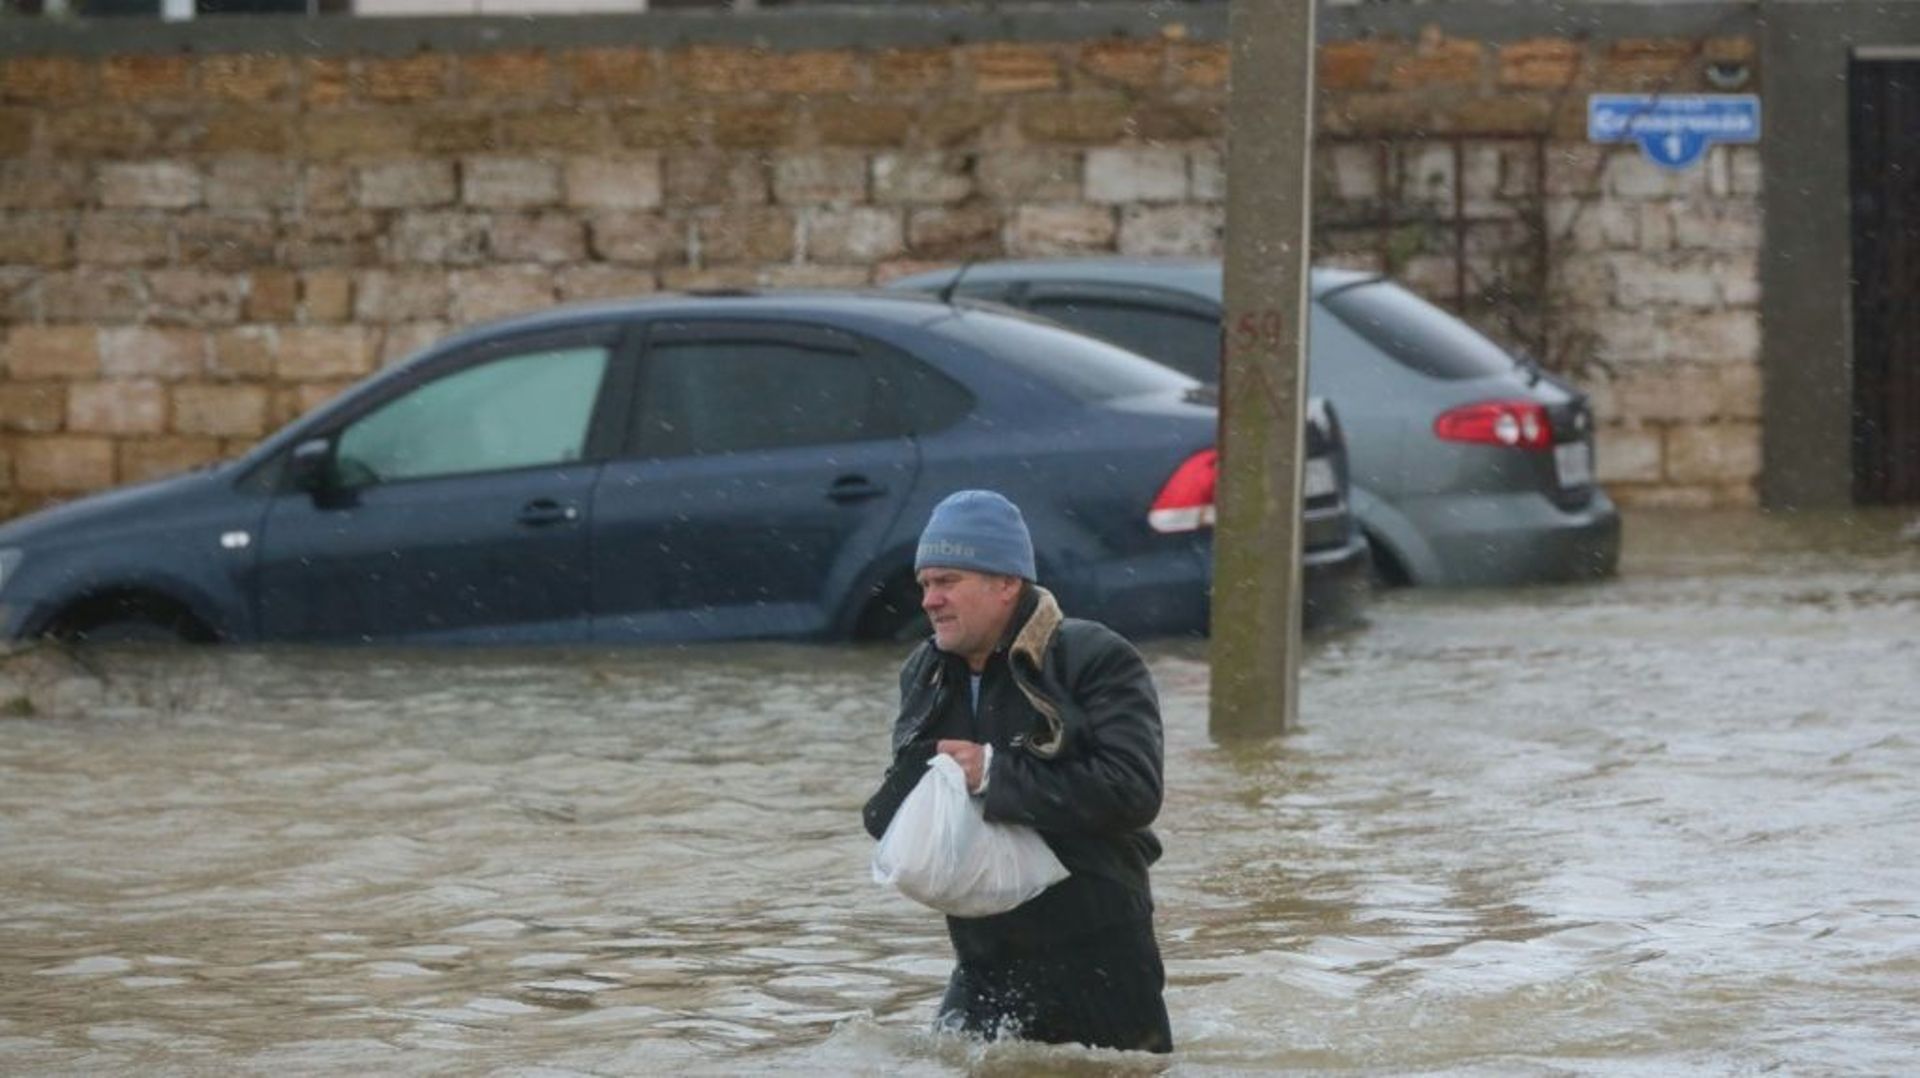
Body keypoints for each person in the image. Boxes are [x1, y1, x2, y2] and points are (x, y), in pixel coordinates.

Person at [862, 489, 1173, 1054]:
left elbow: (1133, 792)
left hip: (1100, 952)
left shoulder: (1094, 656)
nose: (930, 600)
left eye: (948, 580)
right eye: (925, 583)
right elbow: (889, 814)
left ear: (1006, 583)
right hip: (984, 958)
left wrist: (991, 773)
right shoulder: (925, 672)